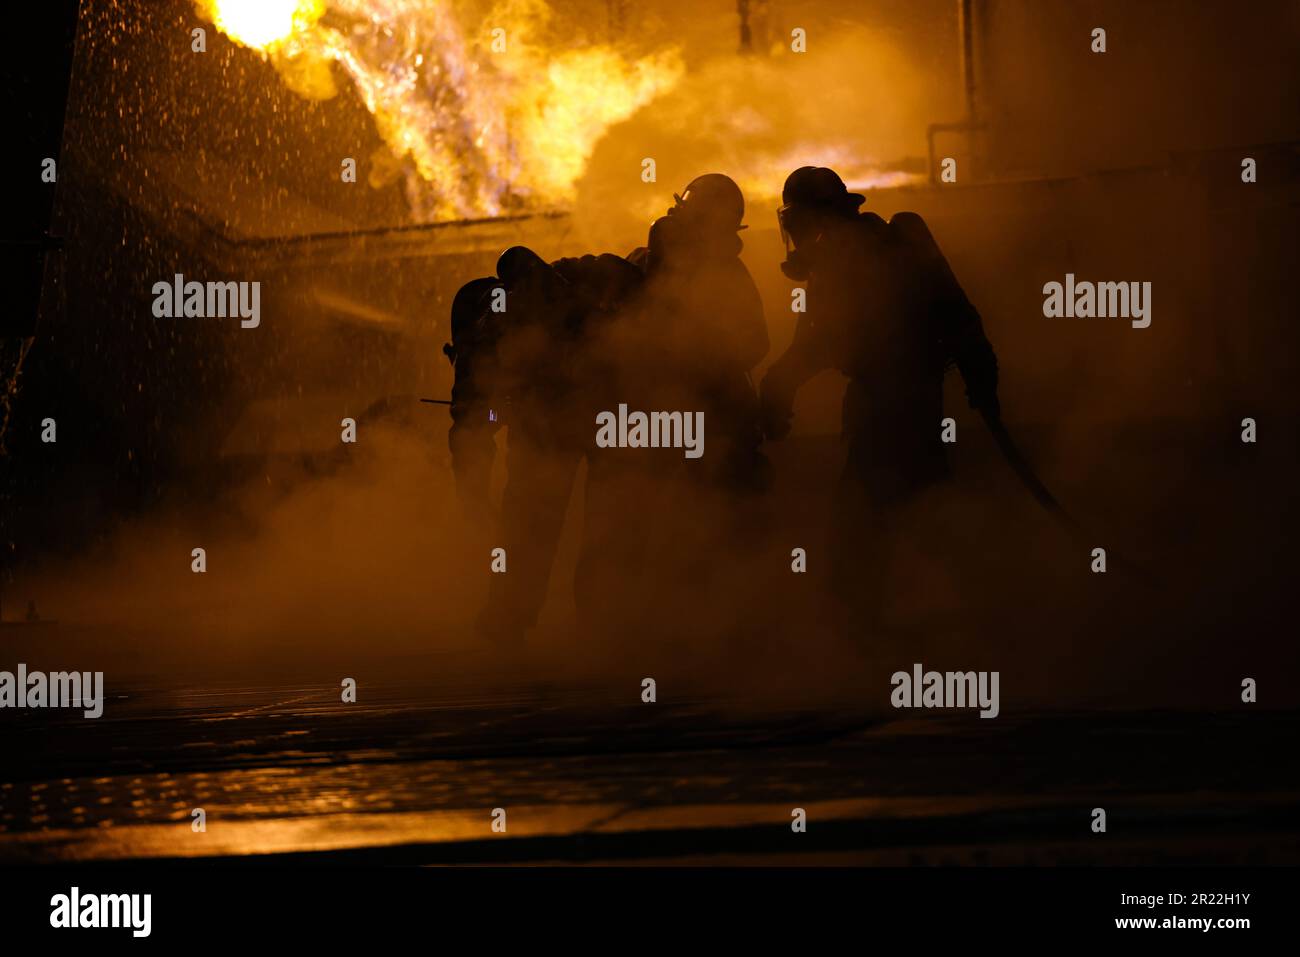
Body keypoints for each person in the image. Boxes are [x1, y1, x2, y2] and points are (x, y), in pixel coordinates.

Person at [759, 166, 999, 630]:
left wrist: (778, 386)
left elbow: (819, 342)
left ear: (814, 216)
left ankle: (859, 630)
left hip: (887, 405)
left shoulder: (844, 260)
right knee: (924, 504)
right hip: (908, 399)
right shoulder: (870, 246)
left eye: (800, 219)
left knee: (860, 523)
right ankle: (983, 603)